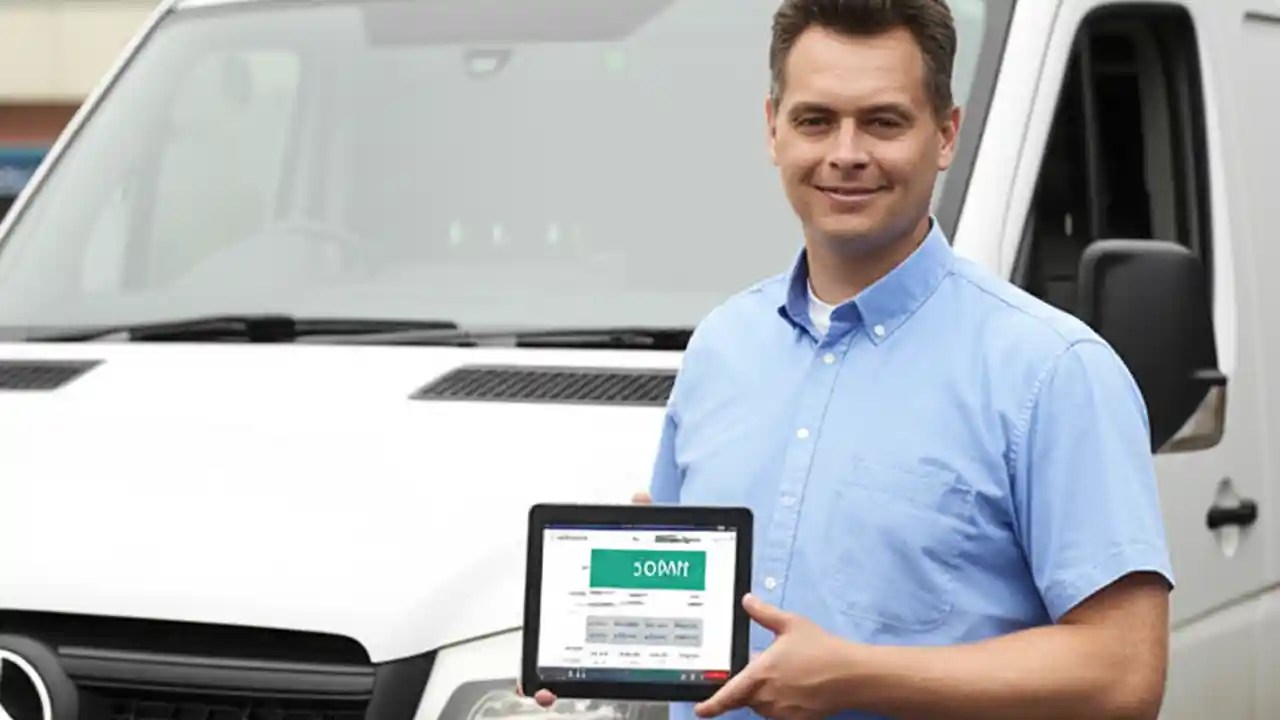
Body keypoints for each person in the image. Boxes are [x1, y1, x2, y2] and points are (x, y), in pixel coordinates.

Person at [531, 0, 1175, 718]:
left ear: (945, 134)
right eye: (815, 120)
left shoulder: (1053, 372)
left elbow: (1124, 673)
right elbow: (695, 620)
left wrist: (857, 675)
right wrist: (616, 635)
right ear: (772, 128)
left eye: (883, 121)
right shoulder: (721, 347)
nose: (845, 152)